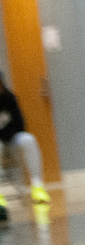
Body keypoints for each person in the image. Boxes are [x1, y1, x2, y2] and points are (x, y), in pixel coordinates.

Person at [0, 76, 49, 218]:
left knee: (28, 139)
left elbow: (20, 125)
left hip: (12, 140)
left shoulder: (10, 99)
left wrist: (5, 134)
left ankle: (37, 187)